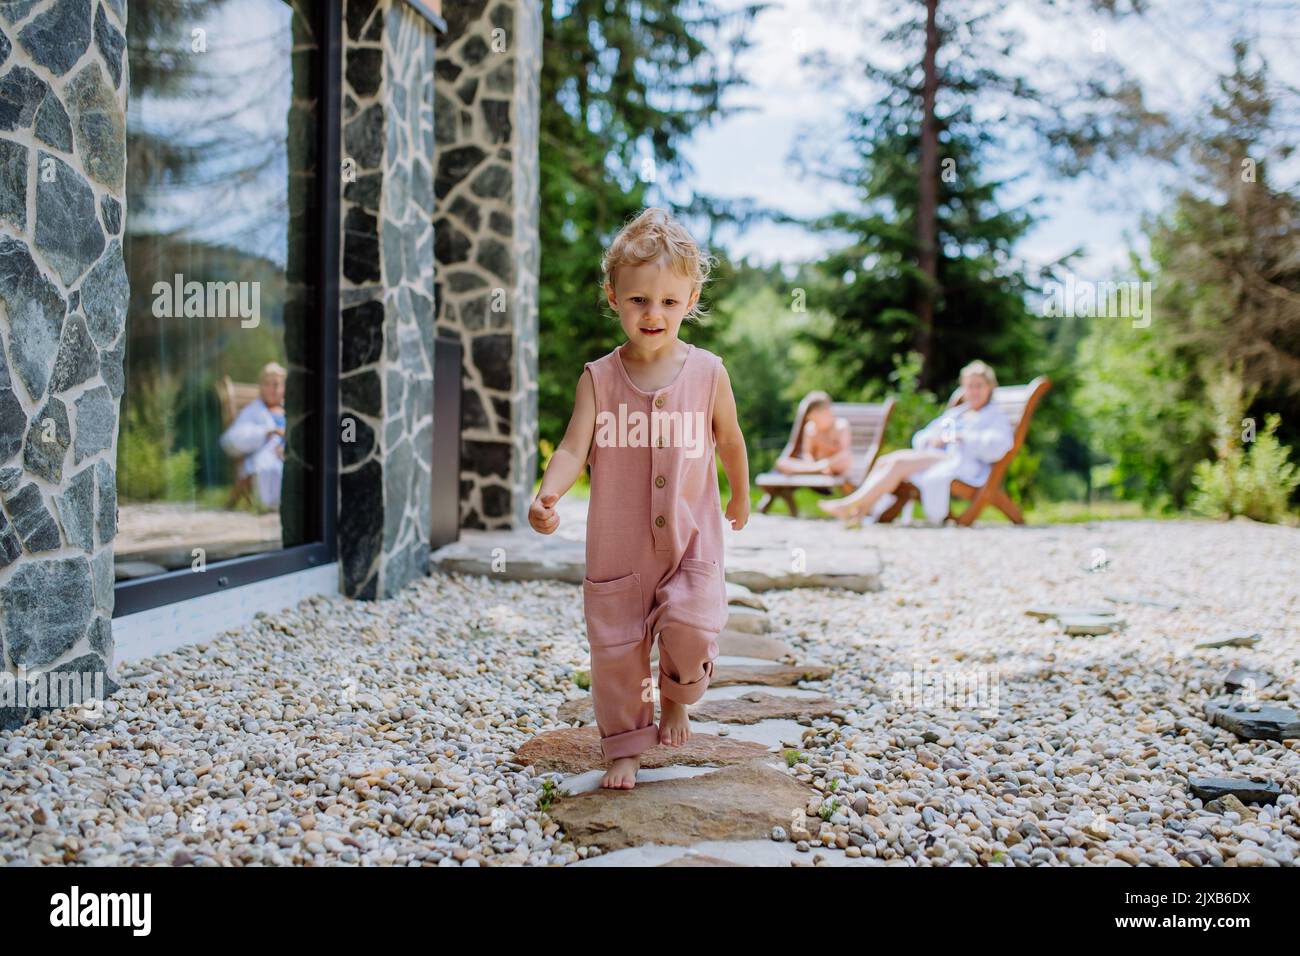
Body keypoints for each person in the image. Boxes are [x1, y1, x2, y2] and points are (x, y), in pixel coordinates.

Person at [528, 208, 750, 790]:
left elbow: (730, 437)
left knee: (694, 623)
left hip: (691, 538)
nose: (653, 314)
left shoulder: (708, 373)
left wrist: (741, 495)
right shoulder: (598, 378)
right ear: (613, 297)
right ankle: (624, 745)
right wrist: (549, 490)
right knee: (617, 651)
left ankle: (678, 694)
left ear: (691, 298)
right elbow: (575, 448)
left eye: (669, 303)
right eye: (638, 301)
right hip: (618, 549)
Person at [818, 360, 1013, 526]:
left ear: (989, 388)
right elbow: (922, 436)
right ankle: (860, 511)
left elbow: (997, 446)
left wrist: (962, 437)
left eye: (979, 386)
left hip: (963, 464)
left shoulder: (996, 417)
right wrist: (933, 439)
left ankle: (852, 505)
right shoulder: (957, 413)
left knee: (898, 463)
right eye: (970, 386)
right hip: (938, 457)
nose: (974, 391)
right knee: (887, 460)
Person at [219, 362, 288, 509]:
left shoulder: (290, 409)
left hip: (290, 454)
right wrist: (266, 432)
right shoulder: (253, 411)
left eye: (277, 385)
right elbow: (233, 439)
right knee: (273, 468)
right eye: (268, 384)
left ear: (284, 388)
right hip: (268, 456)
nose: (273, 389)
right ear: (261, 387)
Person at [774, 391, 852, 478]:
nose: (813, 422)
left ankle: (813, 471)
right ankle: (816, 471)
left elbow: (844, 453)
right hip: (816, 466)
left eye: (815, 419)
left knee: (845, 459)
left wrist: (825, 464)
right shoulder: (810, 428)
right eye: (810, 419)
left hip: (832, 466)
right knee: (782, 462)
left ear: (826, 412)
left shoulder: (840, 426)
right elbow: (807, 453)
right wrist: (813, 464)